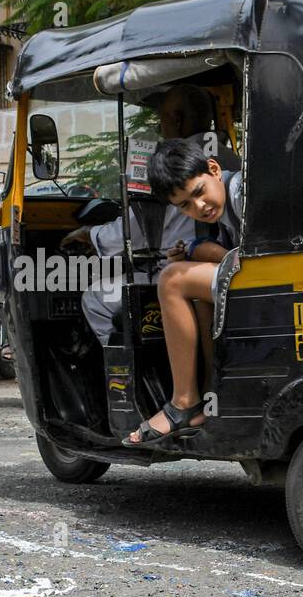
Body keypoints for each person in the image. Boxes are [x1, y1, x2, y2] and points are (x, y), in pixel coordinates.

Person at [60, 84, 240, 346]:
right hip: (220, 268)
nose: (198, 207)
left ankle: (128, 378)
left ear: (176, 120)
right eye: (185, 205)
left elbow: (134, 229)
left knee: (94, 299)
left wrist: (90, 235)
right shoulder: (230, 158)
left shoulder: (168, 168)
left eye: (162, 118)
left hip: (186, 268)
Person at [122, 139, 240, 447]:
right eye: (185, 205)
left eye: (199, 192)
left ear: (214, 169)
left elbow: (248, 256)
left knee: (172, 280)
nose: (199, 207)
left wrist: (196, 252)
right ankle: (209, 394)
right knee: (198, 298)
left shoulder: (240, 191)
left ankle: (184, 401)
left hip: (276, 277)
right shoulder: (220, 212)